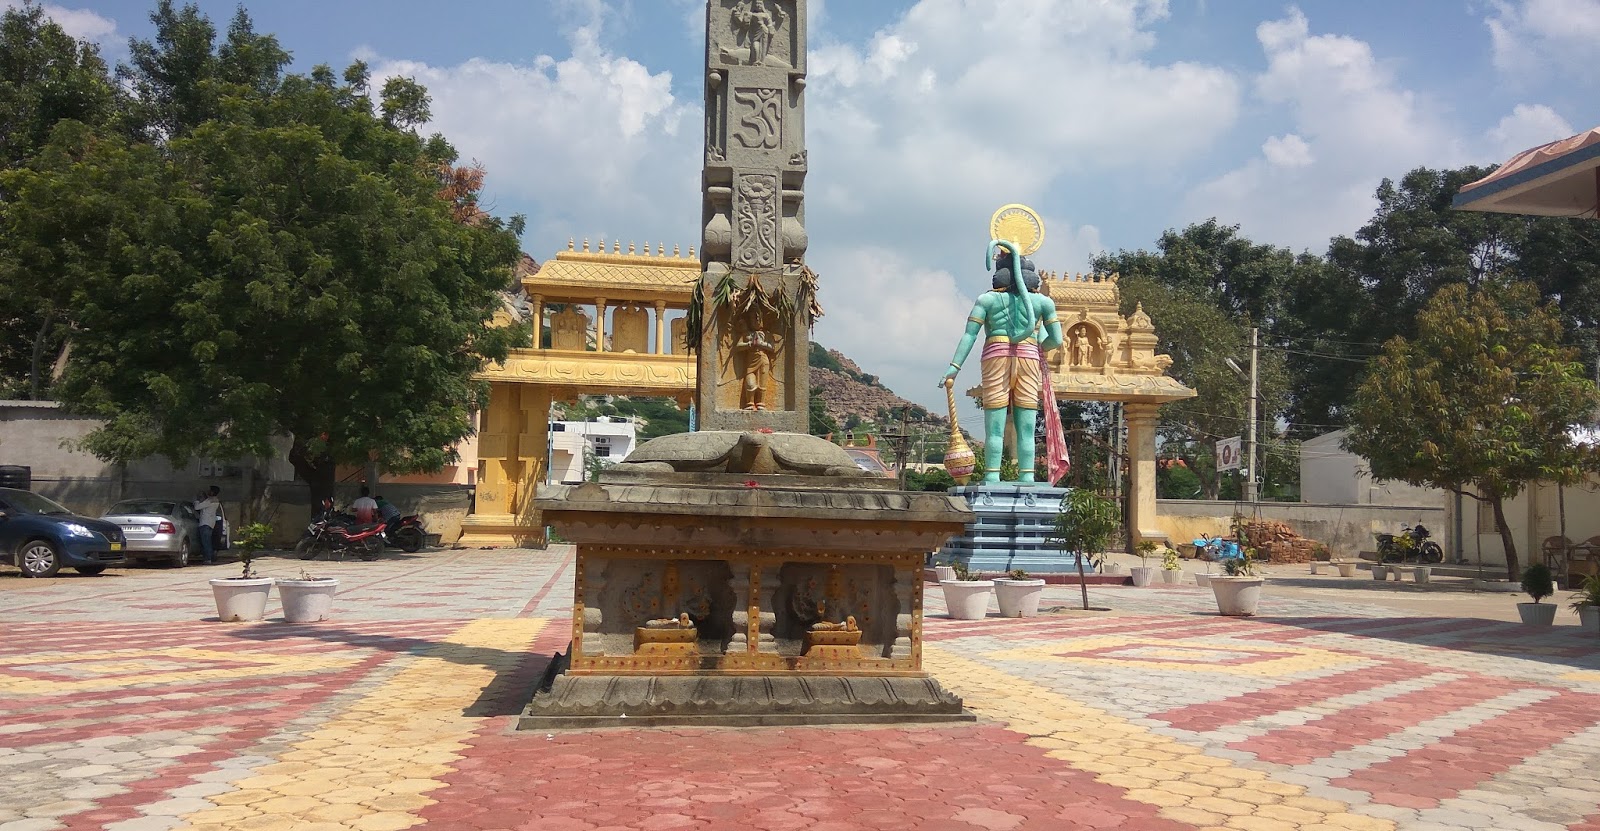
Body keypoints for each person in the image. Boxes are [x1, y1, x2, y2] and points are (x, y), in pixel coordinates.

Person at [941, 240, 1066, 484]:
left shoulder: (987, 300)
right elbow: (1057, 340)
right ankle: (1027, 477)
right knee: (1027, 428)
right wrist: (1038, 346)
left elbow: (970, 335)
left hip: (995, 357)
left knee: (995, 427)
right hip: (1029, 358)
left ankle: (992, 476)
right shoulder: (1043, 302)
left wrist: (954, 368)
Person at [194, 486, 221, 565]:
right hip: (211, 523)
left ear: (212, 492)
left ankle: (208, 558)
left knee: (206, 542)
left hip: (205, 523)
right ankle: (210, 557)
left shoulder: (210, 501)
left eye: (209, 490)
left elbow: (197, 507)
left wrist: (197, 500)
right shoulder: (215, 500)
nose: (208, 491)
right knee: (208, 541)